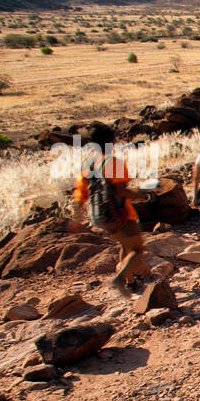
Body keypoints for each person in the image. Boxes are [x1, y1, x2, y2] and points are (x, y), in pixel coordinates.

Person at [69, 122, 151, 297]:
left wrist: (76, 218)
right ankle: (120, 278)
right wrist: (145, 196)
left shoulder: (87, 164)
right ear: (111, 141)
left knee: (124, 245)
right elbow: (123, 191)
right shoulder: (113, 162)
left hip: (98, 216)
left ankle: (130, 282)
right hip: (120, 214)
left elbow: (80, 194)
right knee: (137, 250)